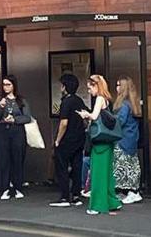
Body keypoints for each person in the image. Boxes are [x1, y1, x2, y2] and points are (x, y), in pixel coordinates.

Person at [78, 75, 122, 215]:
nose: (89, 91)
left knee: (97, 175)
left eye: (90, 87)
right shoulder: (107, 100)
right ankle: (111, 202)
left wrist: (85, 114)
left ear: (96, 85)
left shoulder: (99, 99)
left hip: (99, 144)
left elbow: (95, 116)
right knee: (107, 175)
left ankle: (97, 206)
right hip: (107, 144)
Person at [49, 74, 88, 208]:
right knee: (77, 167)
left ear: (65, 86)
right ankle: (76, 195)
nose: (60, 88)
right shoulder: (79, 100)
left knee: (62, 168)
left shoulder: (66, 102)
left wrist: (57, 140)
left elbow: (63, 123)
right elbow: (86, 118)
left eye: (62, 85)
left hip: (67, 141)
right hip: (79, 139)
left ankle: (65, 197)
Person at [0, 74, 31, 200]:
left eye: (8, 84)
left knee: (17, 159)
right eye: (4, 85)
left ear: (14, 85)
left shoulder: (21, 100)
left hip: (17, 131)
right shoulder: (0, 100)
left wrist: (14, 119)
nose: (6, 87)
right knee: (3, 160)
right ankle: (5, 188)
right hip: (3, 132)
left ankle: (18, 187)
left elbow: (27, 117)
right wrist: (1, 108)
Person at [113, 76, 142, 205]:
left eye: (119, 85)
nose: (116, 88)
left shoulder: (124, 105)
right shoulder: (132, 103)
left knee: (123, 166)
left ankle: (132, 192)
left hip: (123, 140)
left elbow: (119, 121)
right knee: (131, 165)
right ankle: (130, 191)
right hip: (131, 139)